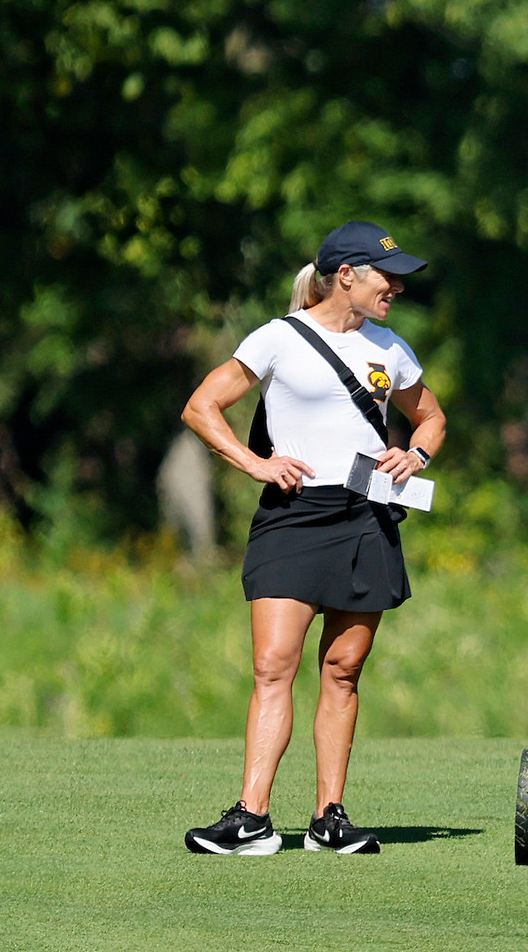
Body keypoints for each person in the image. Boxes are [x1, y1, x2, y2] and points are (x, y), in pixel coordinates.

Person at [178, 221, 446, 856]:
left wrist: (416, 455)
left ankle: (330, 819)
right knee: (274, 666)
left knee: (343, 669)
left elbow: (430, 417)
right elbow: (201, 406)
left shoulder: (390, 348)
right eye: (388, 276)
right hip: (293, 516)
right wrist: (256, 463)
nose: (398, 287)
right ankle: (251, 817)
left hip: (367, 516)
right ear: (346, 275)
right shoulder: (279, 339)